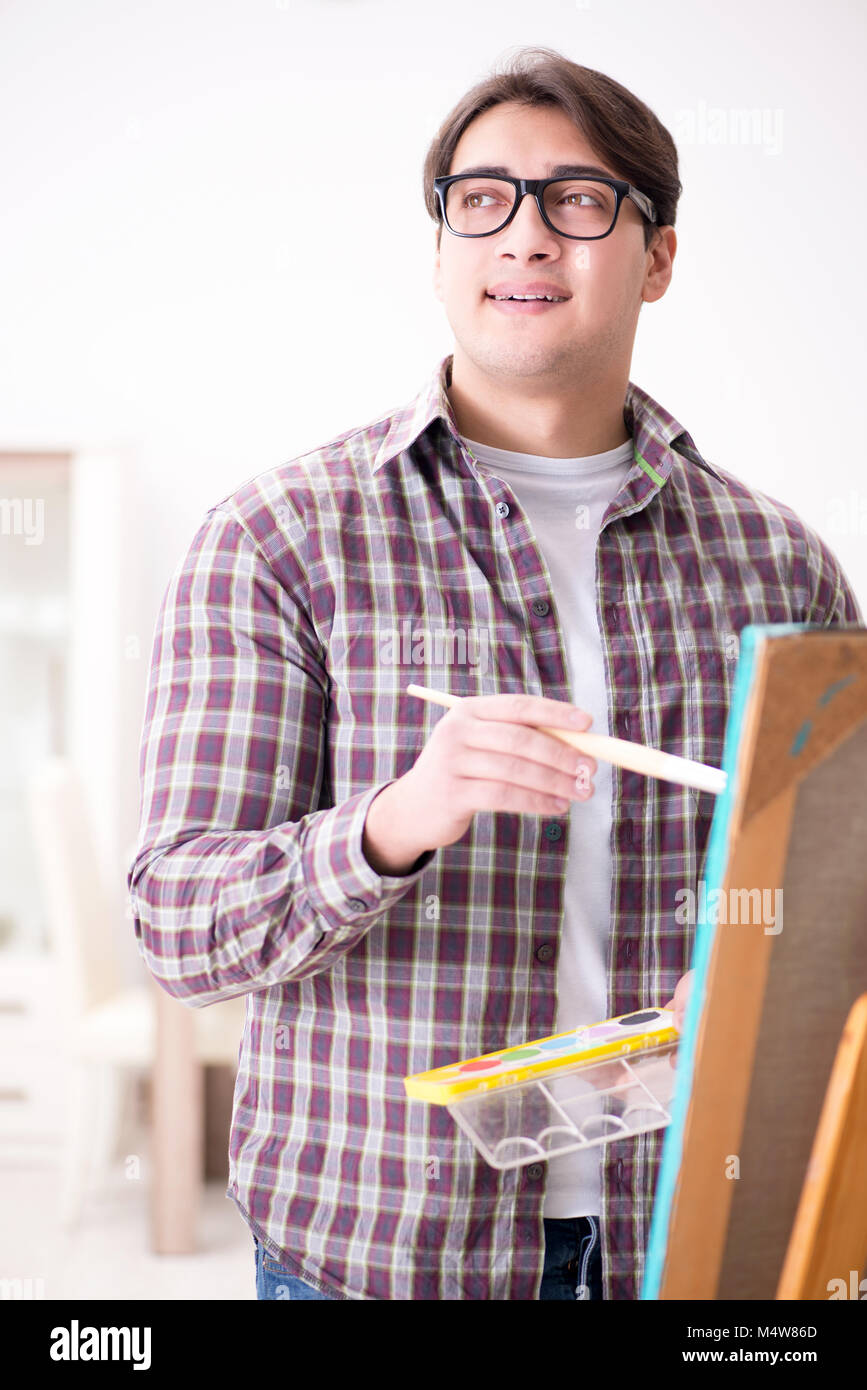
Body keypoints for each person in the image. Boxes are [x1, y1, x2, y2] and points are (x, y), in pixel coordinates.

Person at [128, 46, 862, 1302]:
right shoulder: (280, 538)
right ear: (441, 253)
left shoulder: (778, 561)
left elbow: (843, 887)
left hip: (695, 1230)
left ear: (660, 255)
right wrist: (393, 824)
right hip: (378, 1244)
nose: (525, 236)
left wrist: (775, 972)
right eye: (483, 200)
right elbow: (177, 924)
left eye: (578, 200)